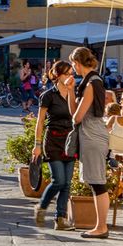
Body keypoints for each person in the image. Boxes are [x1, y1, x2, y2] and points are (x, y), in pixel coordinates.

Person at [66, 46, 110, 239]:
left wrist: (74, 106)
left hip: (92, 134)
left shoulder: (92, 83)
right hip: (92, 133)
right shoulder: (89, 82)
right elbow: (74, 113)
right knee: (95, 182)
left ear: (77, 62)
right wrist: (70, 91)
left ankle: (101, 227)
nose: (72, 68)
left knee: (98, 182)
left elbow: (77, 117)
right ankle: (100, 226)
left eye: (73, 64)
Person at [31, 60, 78, 230]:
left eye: (72, 73)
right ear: (57, 76)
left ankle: (60, 218)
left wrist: (73, 92)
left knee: (67, 184)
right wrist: (37, 144)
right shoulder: (48, 95)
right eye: (67, 73)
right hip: (53, 140)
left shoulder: (75, 92)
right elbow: (40, 121)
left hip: (70, 141)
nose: (70, 77)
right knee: (58, 180)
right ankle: (42, 207)